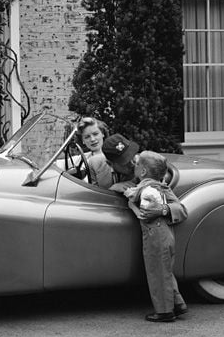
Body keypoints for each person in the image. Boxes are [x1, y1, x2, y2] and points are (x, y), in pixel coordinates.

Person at [123, 150, 188, 323]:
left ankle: (165, 312)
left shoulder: (154, 188)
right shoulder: (152, 186)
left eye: (137, 163)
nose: (133, 165)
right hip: (163, 234)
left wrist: (162, 210)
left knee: (157, 273)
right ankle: (178, 303)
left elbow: (181, 210)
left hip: (156, 235)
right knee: (164, 271)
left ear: (143, 171)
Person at [74, 117, 115, 189]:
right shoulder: (81, 159)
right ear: (83, 141)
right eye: (87, 137)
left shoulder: (115, 156)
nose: (92, 139)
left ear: (102, 134)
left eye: (95, 134)